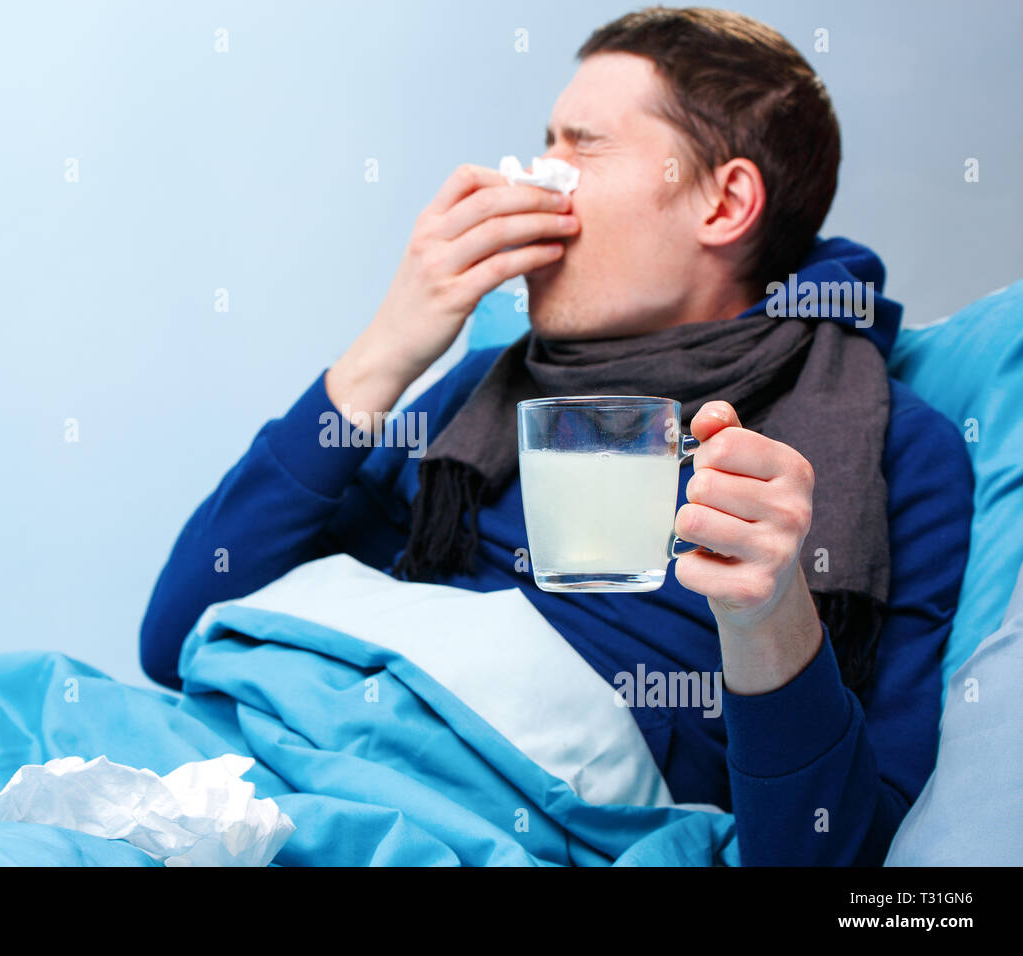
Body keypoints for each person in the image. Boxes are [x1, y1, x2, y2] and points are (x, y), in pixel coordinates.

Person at [140, 7, 973, 866]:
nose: (538, 180)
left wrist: (769, 618)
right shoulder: (485, 395)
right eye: (545, 144)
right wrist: (380, 357)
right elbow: (177, 636)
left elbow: (836, 856)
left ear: (723, 203)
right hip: (261, 767)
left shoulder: (889, 452)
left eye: (582, 146)